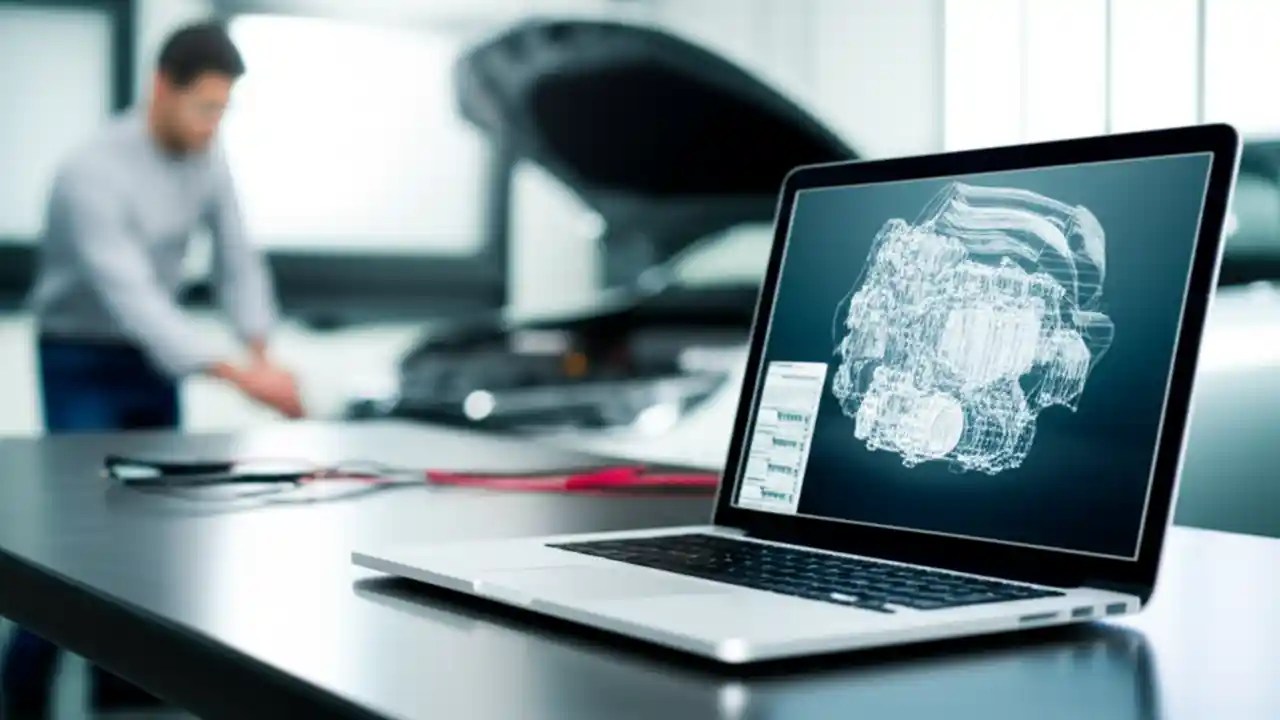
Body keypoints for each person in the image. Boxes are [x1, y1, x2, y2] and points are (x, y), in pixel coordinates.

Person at [1, 21, 302, 716]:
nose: (213, 124)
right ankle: (21, 691)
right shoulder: (90, 172)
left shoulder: (208, 155)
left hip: (152, 364)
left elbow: (237, 257)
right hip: (81, 353)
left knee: (153, 527)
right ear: (161, 87)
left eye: (224, 109)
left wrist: (261, 348)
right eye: (204, 107)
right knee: (74, 536)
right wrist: (243, 378)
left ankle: (123, 696)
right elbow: (132, 297)